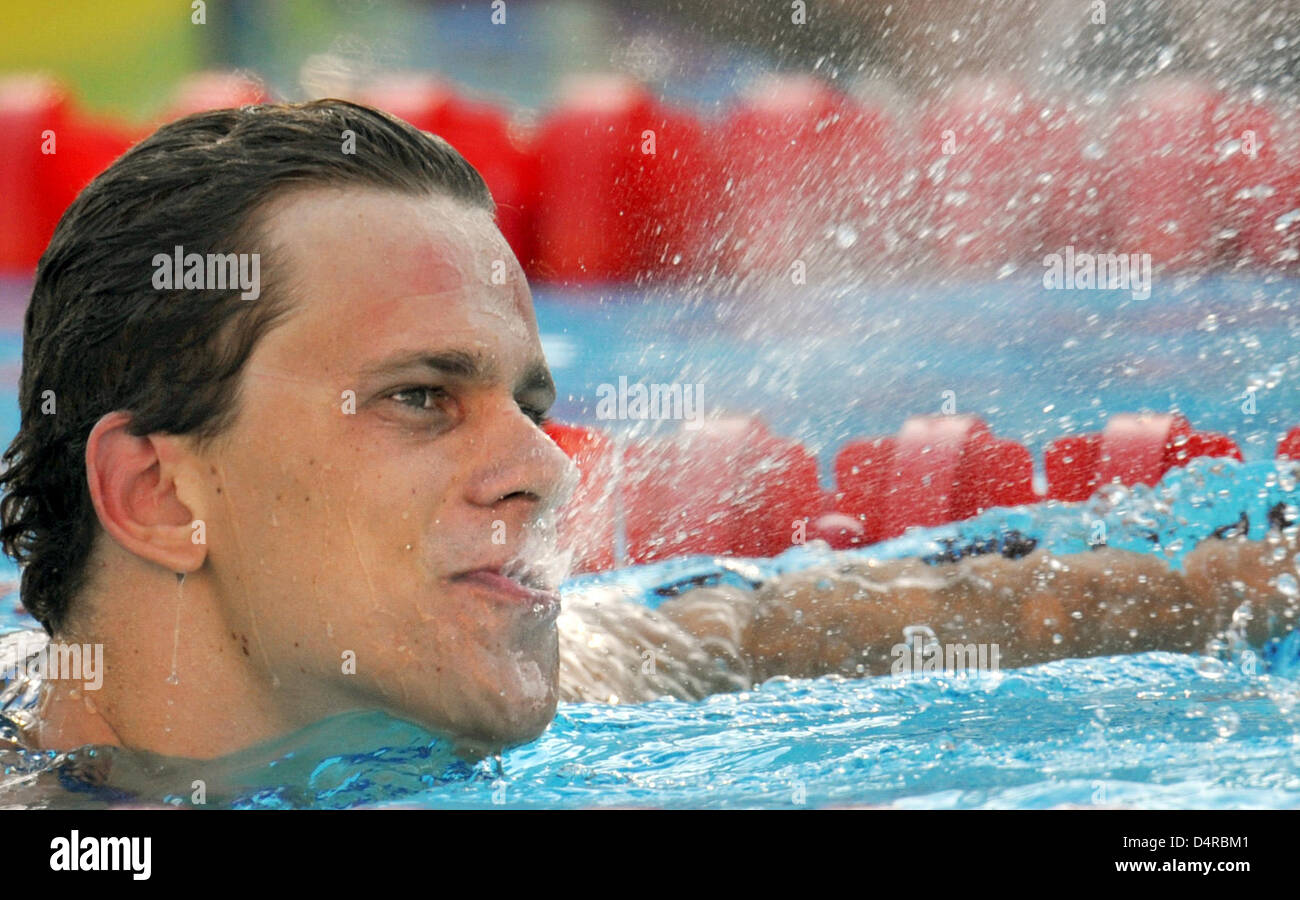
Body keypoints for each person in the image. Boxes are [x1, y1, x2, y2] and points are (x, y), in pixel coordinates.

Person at [0, 100, 1293, 764]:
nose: (547, 471)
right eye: (418, 398)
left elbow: (993, 609)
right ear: (161, 496)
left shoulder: (593, 671)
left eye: (532, 404)